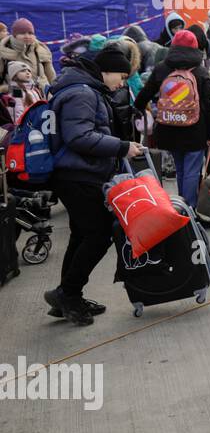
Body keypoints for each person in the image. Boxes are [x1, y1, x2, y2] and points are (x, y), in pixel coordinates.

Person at [42, 44, 146, 325]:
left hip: (76, 174)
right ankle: (68, 293)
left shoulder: (82, 88)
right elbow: (80, 137)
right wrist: (122, 147)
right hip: (77, 174)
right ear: (106, 71)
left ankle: (67, 297)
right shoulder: (82, 93)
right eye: (121, 77)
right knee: (99, 234)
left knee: (81, 235)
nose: (122, 83)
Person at [133, 29, 210, 222]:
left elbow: (144, 95)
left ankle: (182, 208)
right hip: (195, 129)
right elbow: (209, 105)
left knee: (181, 170)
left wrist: (139, 108)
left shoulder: (162, 68)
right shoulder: (200, 71)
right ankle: (188, 212)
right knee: (191, 171)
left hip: (168, 128)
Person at [0, 18, 57, 92]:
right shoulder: (3, 52)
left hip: (43, 97)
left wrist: (55, 92)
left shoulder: (41, 50)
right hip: (16, 98)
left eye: (30, 33)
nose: (27, 36)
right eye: (22, 33)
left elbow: (51, 76)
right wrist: (6, 90)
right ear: (14, 35)